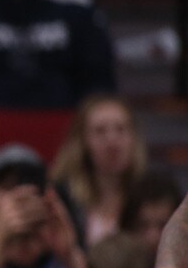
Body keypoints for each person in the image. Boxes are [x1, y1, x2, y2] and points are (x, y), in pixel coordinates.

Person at [50, 94, 148, 248]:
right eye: (100, 131)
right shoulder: (62, 198)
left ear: (133, 138)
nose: (112, 141)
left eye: (121, 129)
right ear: (82, 142)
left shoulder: (151, 196)